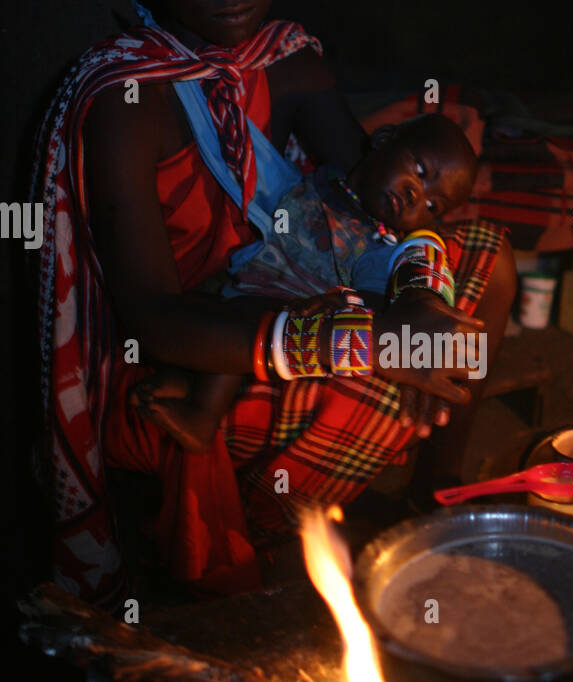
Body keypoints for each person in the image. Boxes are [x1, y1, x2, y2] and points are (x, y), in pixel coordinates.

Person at [31, 0, 515, 609]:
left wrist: (420, 301)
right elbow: (151, 317)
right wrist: (369, 338)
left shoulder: (289, 61)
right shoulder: (125, 103)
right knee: (381, 374)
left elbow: (379, 201)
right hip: (187, 358)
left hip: (292, 290)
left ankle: (437, 489)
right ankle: (256, 540)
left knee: (482, 268)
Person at [132, 114, 481, 454]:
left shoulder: (381, 245)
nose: (415, 195)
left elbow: (377, 301)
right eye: (419, 172)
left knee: (245, 318)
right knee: (201, 305)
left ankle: (203, 416)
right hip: (251, 274)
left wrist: (341, 299)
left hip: (293, 310)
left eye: (432, 205)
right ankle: (189, 377)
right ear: (384, 139)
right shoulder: (324, 176)